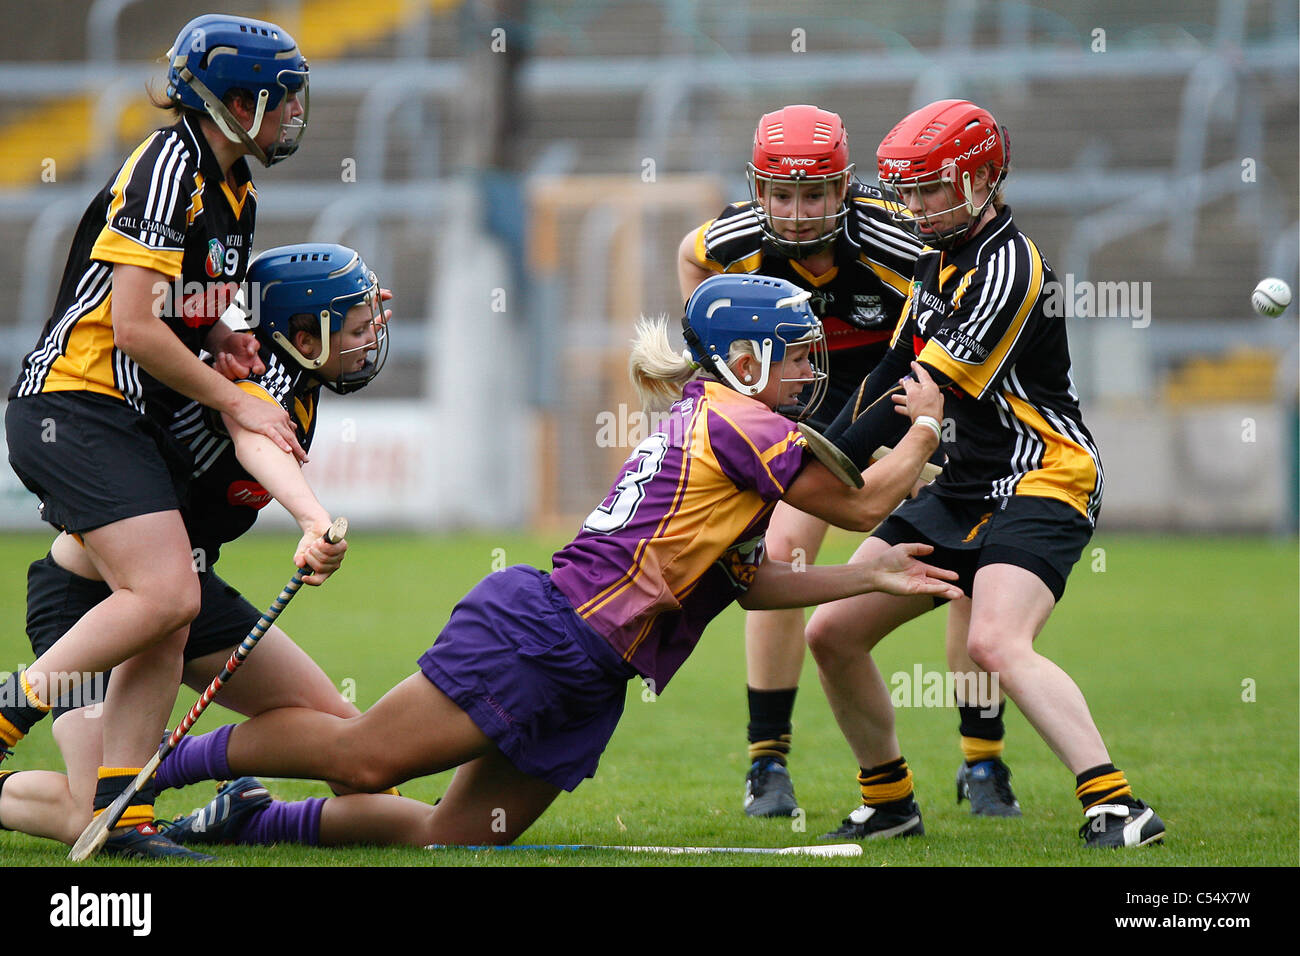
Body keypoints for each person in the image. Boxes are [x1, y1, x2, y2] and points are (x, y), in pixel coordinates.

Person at [104, 273, 961, 851]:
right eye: (800, 354)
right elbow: (862, 503)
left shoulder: (727, 426)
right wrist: (926, 422)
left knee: (453, 838)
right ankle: (156, 770)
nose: (811, 370)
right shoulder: (744, 422)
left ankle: (248, 822)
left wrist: (865, 576)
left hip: (593, 667)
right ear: (745, 361)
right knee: (364, 759)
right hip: (548, 637)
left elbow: (745, 582)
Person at [807, 99, 1164, 847]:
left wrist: (805, 474)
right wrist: (812, 456)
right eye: (907, 191)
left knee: (994, 641)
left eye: (931, 188)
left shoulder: (1010, 267)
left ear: (980, 179)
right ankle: (890, 802)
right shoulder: (935, 259)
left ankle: (1117, 806)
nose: (915, 207)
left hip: (1044, 477)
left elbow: (921, 394)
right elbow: (890, 371)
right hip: (966, 482)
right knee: (832, 632)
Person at [0, 14, 315, 859]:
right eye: (283, 99)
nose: (294, 114)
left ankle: (122, 815)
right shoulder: (169, 165)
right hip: (74, 402)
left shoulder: (236, 190)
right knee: (169, 596)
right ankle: (8, 713)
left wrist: (221, 336)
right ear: (235, 102)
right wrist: (238, 400)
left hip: (120, 416)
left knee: (167, 616)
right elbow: (134, 328)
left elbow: (178, 306)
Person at [676, 105, 1019, 819]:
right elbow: (692, 256)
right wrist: (722, 367)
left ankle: (982, 760)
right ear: (758, 189)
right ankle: (767, 762)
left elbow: (953, 331)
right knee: (782, 553)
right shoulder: (737, 234)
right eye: (781, 194)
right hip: (805, 400)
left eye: (814, 194)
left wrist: (928, 429)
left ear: (844, 187)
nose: (796, 213)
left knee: (970, 570)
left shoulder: (899, 235)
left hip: (907, 394)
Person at [0, 243, 389, 858]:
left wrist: (356, 304)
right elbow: (255, 440)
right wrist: (312, 518)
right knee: (92, 813)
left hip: (184, 591)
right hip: (89, 602)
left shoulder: (294, 371)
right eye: (359, 329)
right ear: (303, 338)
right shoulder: (252, 378)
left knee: (346, 737)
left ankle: (236, 819)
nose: (370, 342)